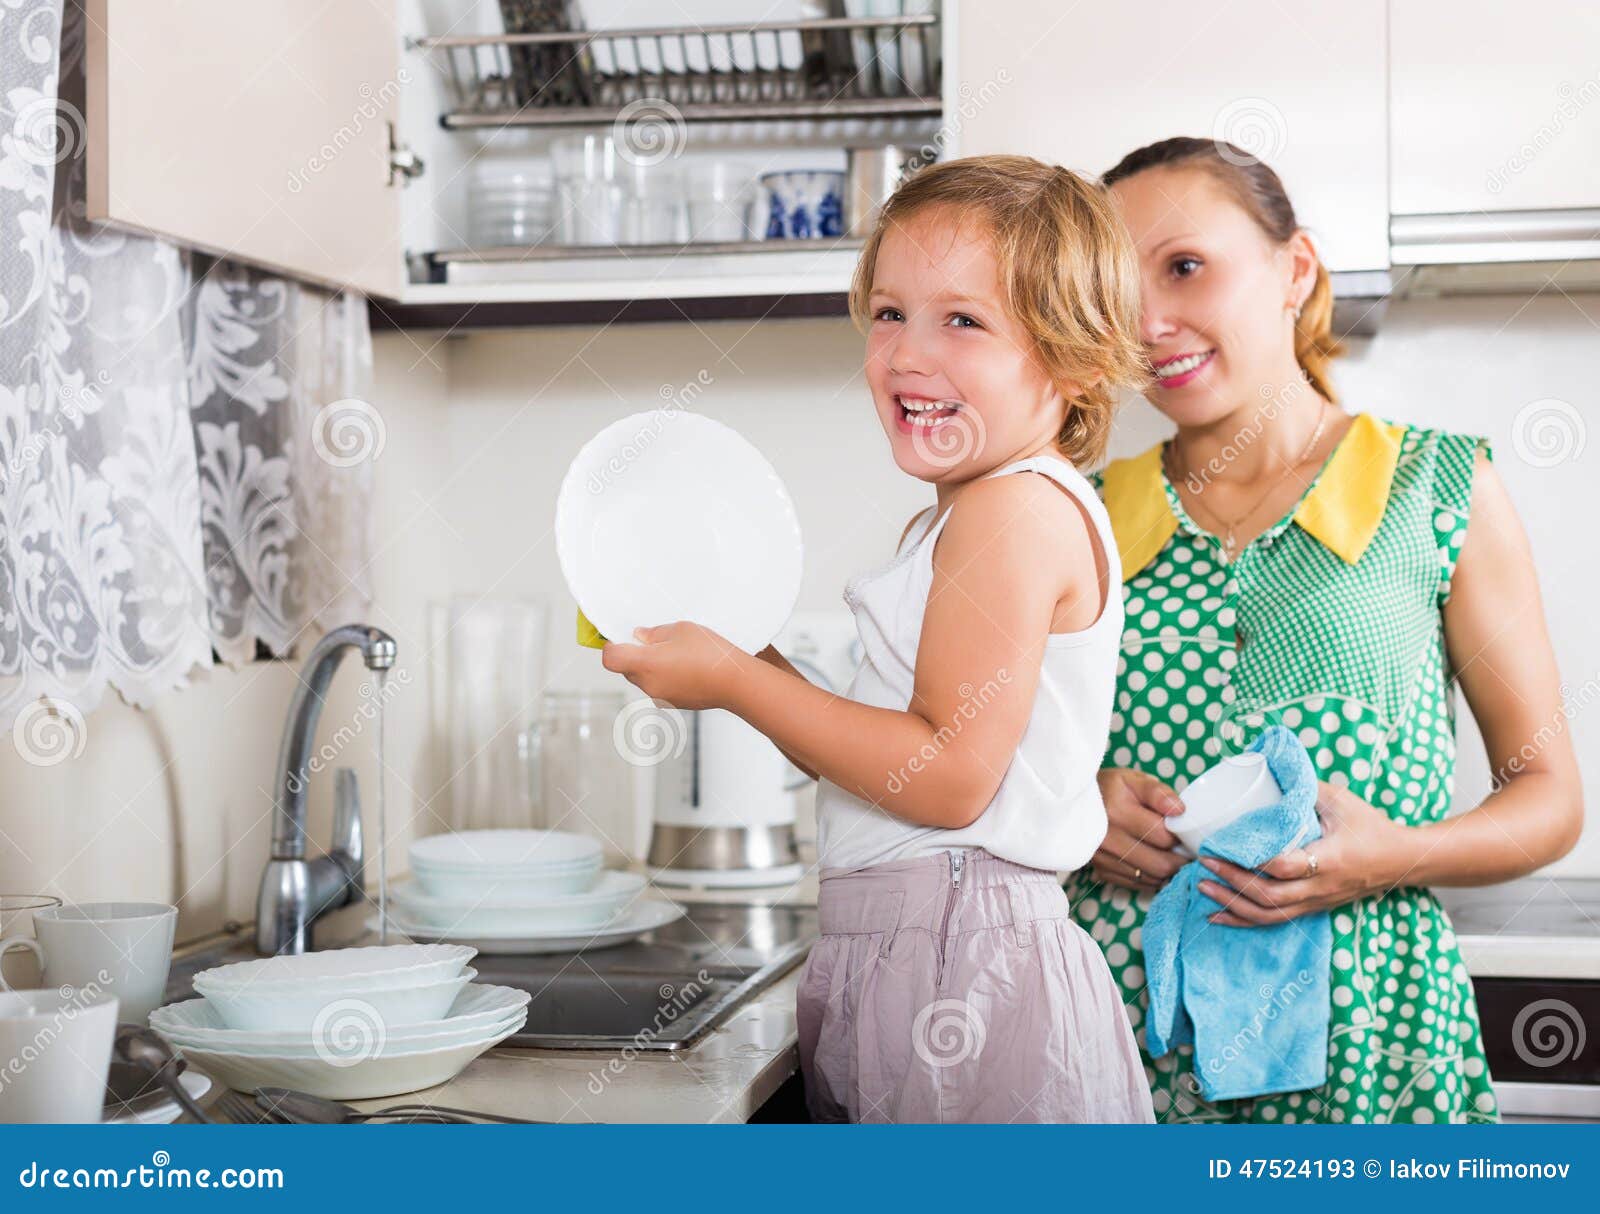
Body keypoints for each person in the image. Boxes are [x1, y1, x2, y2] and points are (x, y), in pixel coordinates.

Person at [602, 155, 1156, 1123]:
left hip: (959, 957)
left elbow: (943, 776)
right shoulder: (980, 512)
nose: (906, 354)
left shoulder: (1007, 513)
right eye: (890, 312)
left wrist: (734, 679)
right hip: (941, 945)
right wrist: (750, 658)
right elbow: (895, 748)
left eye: (963, 321)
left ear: (1075, 362)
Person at [1066, 136, 1584, 1123]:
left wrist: (1396, 852)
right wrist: (1072, 809)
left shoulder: (1437, 487)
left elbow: (1549, 796)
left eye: (1183, 266)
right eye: (1111, 292)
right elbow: (973, 777)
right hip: (1119, 1035)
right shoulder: (1075, 515)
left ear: (1293, 270)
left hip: (1369, 1041)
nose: (1147, 321)